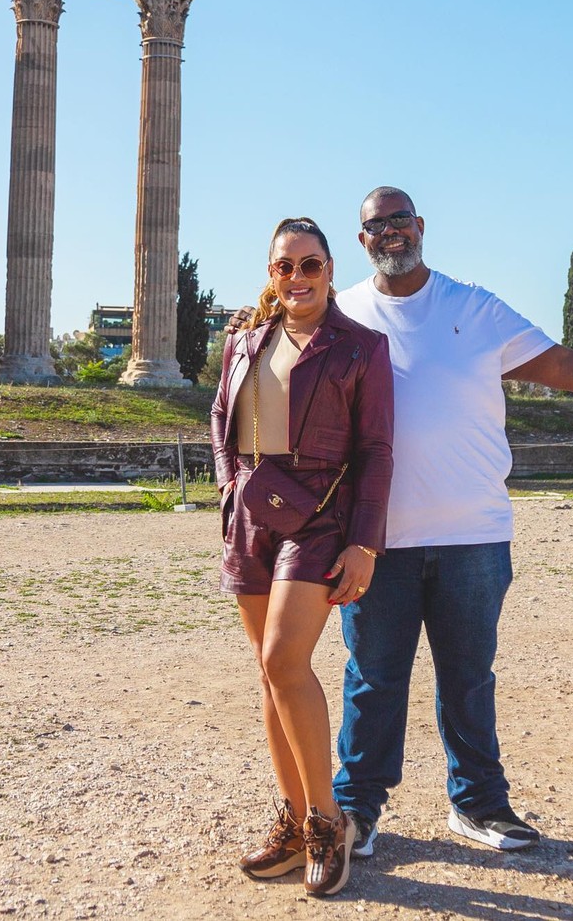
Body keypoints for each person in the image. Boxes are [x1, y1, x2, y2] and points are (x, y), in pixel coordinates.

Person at [328, 187, 573, 857]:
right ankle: (356, 811)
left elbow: (561, 365)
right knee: (373, 677)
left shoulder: (472, 307)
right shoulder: (341, 316)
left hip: (472, 535)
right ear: (361, 240)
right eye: (375, 225)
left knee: (469, 676)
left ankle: (478, 805)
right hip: (376, 538)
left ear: (420, 227)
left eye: (400, 220)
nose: (390, 232)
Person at [210, 216, 393, 897]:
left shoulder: (360, 348)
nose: (298, 277)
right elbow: (219, 418)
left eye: (310, 264)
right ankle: (290, 823)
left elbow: (376, 451)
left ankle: (327, 822)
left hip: (319, 518)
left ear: (329, 270)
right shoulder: (242, 342)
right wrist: (229, 483)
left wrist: (364, 541)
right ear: (271, 274)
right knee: (269, 675)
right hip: (250, 516)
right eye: (285, 266)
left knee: (286, 660)